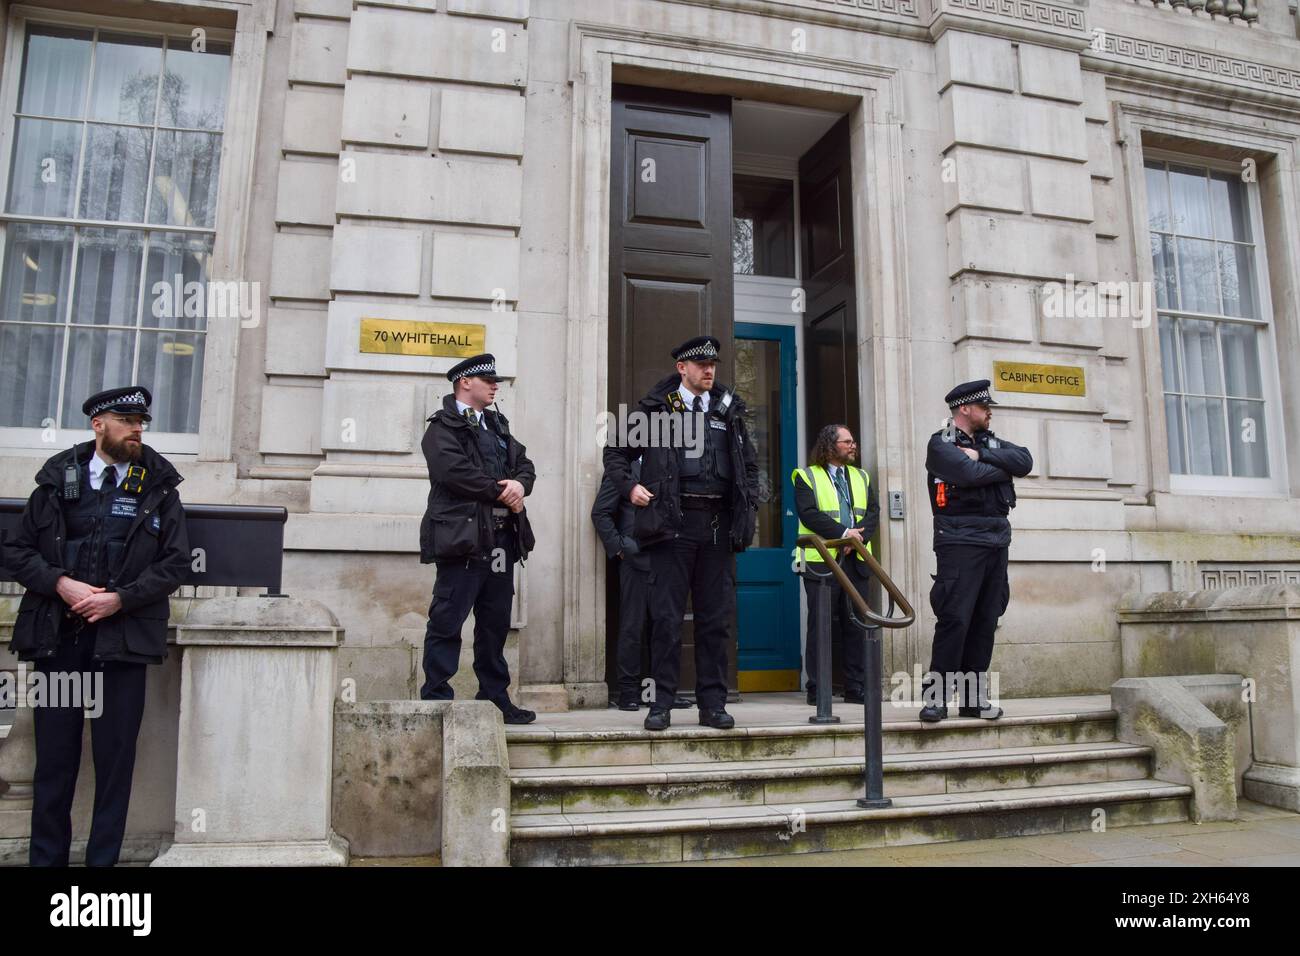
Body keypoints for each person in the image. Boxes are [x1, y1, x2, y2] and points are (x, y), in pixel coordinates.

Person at [4, 386, 190, 866]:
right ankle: (47, 865)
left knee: (114, 765)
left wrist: (119, 600)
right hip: (58, 640)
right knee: (54, 763)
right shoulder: (54, 482)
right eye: (127, 420)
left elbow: (173, 565)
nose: (137, 429)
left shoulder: (158, 488)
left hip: (121, 642)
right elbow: (19, 551)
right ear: (98, 423)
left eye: (141, 422)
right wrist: (61, 584)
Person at [602, 336, 759, 731]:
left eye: (713, 365)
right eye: (701, 364)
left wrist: (751, 501)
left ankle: (713, 706)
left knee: (715, 621)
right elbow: (615, 453)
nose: (709, 370)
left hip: (718, 527)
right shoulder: (655, 411)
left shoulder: (730, 411)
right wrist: (629, 488)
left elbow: (750, 467)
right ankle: (661, 706)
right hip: (673, 526)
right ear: (682, 369)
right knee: (668, 621)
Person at [418, 354, 537, 725]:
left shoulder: (497, 424)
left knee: (495, 622)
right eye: (488, 380)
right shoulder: (442, 428)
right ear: (465, 382)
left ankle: (494, 697)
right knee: (447, 619)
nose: (495, 385)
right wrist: (501, 491)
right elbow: (454, 473)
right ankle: (437, 698)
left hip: (502, 539)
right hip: (464, 540)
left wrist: (520, 484)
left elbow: (525, 464)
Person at [920, 379, 1033, 722]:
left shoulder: (990, 443)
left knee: (986, 620)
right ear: (965, 409)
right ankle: (937, 698)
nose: (990, 413)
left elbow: (1025, 460)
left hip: (996, 542)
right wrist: (1001, 470)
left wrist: (983, 454)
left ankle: (971, 700)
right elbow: (966, 474)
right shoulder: (940, 444)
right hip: (958, 542)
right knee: (955, 618)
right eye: (985, 408)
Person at [590, 459, 693, 712]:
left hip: (668, 559)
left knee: (666, 626)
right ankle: (628, 692)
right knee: (632, 627)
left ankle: (663, 692)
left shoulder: (673, 467)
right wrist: (621, 548)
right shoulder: (625, 471)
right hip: (635, 561)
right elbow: (600, 513)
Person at [792, 423, 880, 706]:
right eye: (847, 442)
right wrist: (843, 534)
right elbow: (809, 514)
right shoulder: (807, 477)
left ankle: (855, 686)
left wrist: (856, 537)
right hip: (822, 562)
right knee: (821, 625)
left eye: (853, 441)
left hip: (857, 561)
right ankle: (818, 688)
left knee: (856, 624)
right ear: (830, 445)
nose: (853, 446)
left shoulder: (861, 476)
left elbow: (873, 514)